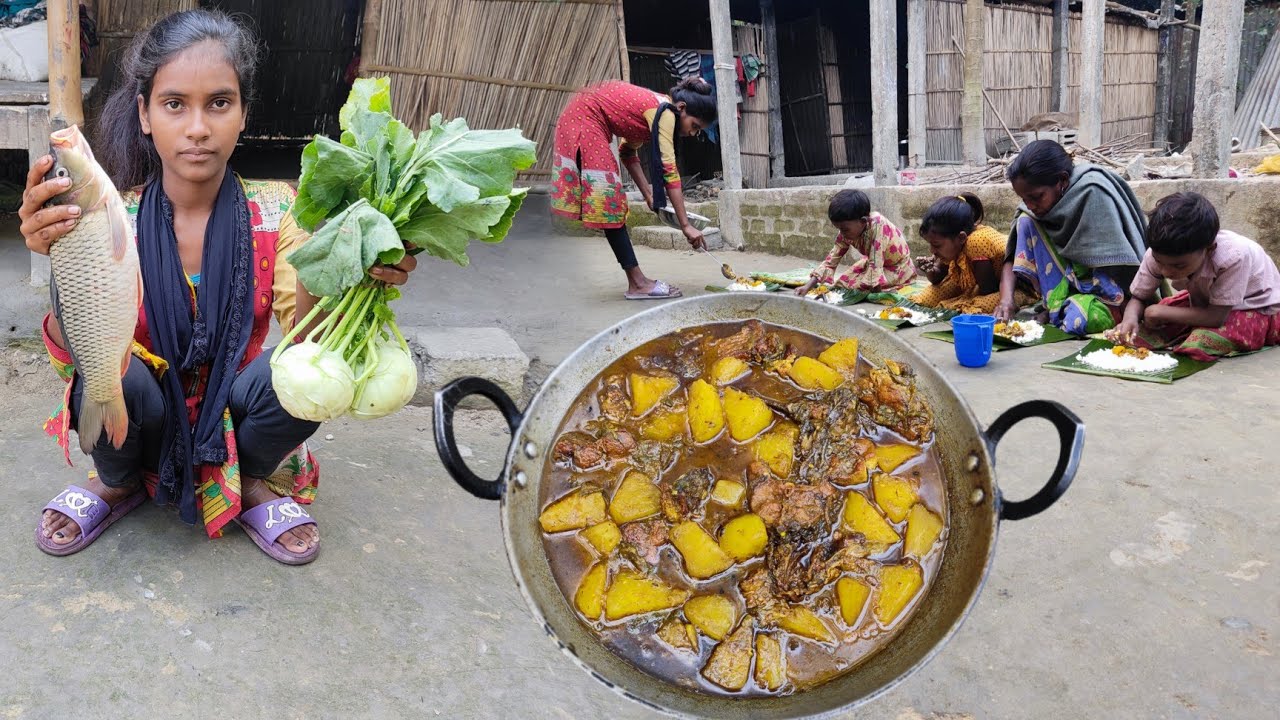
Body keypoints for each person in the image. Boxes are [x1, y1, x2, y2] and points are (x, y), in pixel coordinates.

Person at [20, 10, 417, 564]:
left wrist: (346, 266)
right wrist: (59, 255)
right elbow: (74, 346)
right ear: (145, 114)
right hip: (143, 413)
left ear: (244, 114)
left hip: (236, 414)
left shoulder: (280, 211)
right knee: (107, 378)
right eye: (175, 104)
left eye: (220, 103)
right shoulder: (110, 219)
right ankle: (119, 480)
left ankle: (249, 477)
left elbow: (310, 338)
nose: (198, 127)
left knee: (304, 372)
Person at [550, 77, 716, 299]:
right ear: (681, 108)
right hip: (585, 118)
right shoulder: (665, 113)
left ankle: (637, 281)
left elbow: (627, 152)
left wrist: (648, 195)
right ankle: (637, 283)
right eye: (695, 126)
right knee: (608, 200)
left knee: (609, 202)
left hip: (582, 116)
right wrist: (685, 225)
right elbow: (669, 170)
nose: (693, 133)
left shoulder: (655, 113)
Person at [994, 139, 1146, 335]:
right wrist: (1006, 301)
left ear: (1063, 181)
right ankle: (1057, 307)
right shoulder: (1035, 211)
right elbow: (1012, 256)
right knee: (1025, 220)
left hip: (1107, 295)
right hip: (1065, 290)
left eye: (1037, 197)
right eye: (1024, 199)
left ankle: (1074, 310)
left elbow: (1121, 271)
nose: (1030, 205)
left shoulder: (1092, 192)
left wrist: (1130, 311)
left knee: (1077, 321)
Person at [1108, 192, 1280, 361]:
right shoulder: (1157, 253)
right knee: (1137, 336)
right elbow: (1138, 297)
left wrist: (1157, 311)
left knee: (1200, 342)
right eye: (1160, 262)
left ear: (1209, 249)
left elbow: (1217, 317)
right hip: (1204, 301)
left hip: (1253, 307)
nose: (1166, 272)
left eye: (1179, 266)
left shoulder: (1233, 257)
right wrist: (1130, 319)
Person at [910, 193, 1033, 314]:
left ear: (961, 237)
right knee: (927, 298)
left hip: (1013, 288)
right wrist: (931, 270)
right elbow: (937, 278)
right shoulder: (953, 243)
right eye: (930, 244)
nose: (932, 250)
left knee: (976, 306)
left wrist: (962, 297)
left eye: (936, 245)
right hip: (980, 283)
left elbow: (987, 289)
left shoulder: (977, 241)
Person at [795, 189, 916, 295]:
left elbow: (876, 262)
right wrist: (807, 287)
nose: (842, 233)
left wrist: (873, 294)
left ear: (863, 221)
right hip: (871, 263)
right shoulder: (845, 231)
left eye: (844, 229)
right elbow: (831, 260)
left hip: (897, 267)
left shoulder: (878, 225)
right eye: (839, 229)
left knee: (858, 287)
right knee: (841, 284)